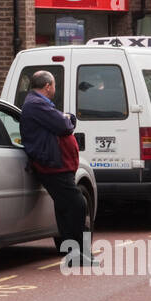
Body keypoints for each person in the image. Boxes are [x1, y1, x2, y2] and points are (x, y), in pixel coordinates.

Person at [19, 70, 98, 267]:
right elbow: (64, 124)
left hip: (57, 164)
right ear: (48, 86)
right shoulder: (36, 104)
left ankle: (73, 254)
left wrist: (64, 117)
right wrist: (68, 117)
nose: (55, 89)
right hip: (52, 165)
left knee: (65, 208)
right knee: (78, 204)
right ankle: (80, 253)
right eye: (54, 85)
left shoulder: (39, 103)